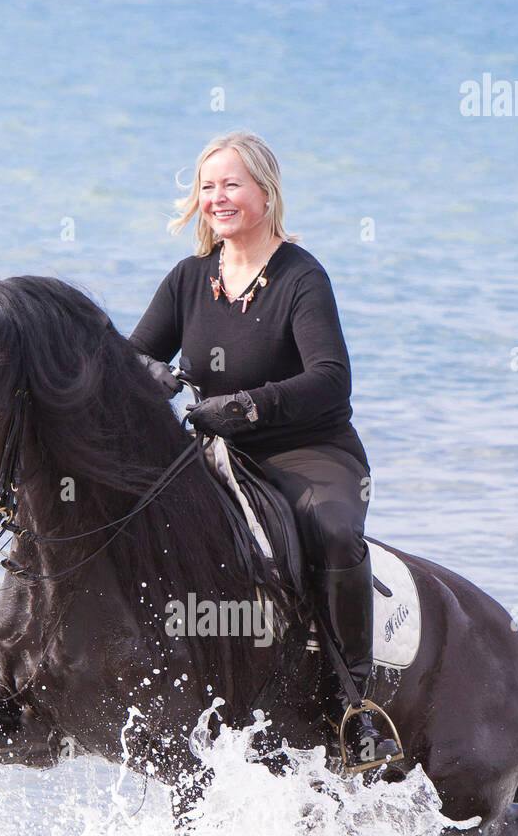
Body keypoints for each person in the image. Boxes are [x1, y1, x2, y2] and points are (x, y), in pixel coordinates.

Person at [129, 130, 397, 770]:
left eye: (232, 184)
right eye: (208, 186)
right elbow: (133, 354)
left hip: (310, 453)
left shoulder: (302, 276)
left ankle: (354, 706)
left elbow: (331, 378)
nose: (218, 197)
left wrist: (249, 406)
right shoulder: (189, 278)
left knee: (332, 532)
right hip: (217, 455)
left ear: (265, 193)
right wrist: (149, 375)